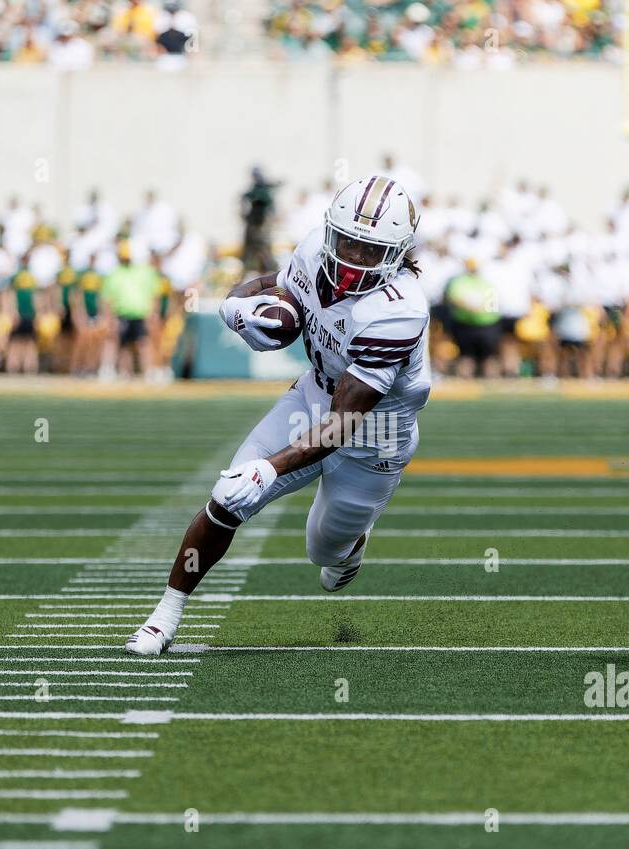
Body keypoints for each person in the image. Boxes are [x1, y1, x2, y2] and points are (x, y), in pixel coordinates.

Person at [126, 174, 428, 655]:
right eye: (346, 241)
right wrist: (237, 307)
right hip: (313, 395)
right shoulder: (313, 250)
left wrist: (270, 468)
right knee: (227, 495)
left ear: (397, 254)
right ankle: (165, 615)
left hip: (373, 435)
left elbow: (345, 422)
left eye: (368, 250)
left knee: (322, 552)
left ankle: (350, 547)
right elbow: (276, 286)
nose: (351, 258)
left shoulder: (398, 310)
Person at [102, 240, 161, 380]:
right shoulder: (115, 273)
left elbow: (154, 294)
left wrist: (153, 313)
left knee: (143, 343)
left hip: (141, 313)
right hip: (122, 313)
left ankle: (149, 372)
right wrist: (109, 317)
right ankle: (123, 373)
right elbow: (107, 298)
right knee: (123, 345)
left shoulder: (145, 271)